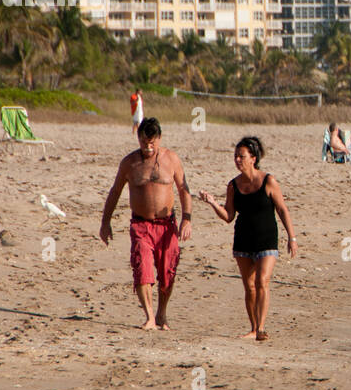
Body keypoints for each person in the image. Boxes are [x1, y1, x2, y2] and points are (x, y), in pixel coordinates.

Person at [199, 137, 298, 341]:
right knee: (249, 286)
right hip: (243, 239)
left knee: (263, 280)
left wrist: (292, 237)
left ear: (253, 158)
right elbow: (228, 216)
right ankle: (253, 328)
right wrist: (212, 203)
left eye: (241, 156)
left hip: (267, 239)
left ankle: (261, 328)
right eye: (236, 156)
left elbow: (282, 209)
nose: (237, 160)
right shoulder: (233, 185)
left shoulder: (268, 181)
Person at [100, 117, 192, 331]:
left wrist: (187, 219)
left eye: (152, 142)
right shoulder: (129, 163)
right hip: (140, 225)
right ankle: (149, 316)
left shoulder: (171, 159)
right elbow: (115, 192)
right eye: (143, 142)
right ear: (138, 138)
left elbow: (184, 190)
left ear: (159, 139)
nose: (148, 147)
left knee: (167, 272)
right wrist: (105, 222)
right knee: (142, 269)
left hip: (167, 225)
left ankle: (162, 313)